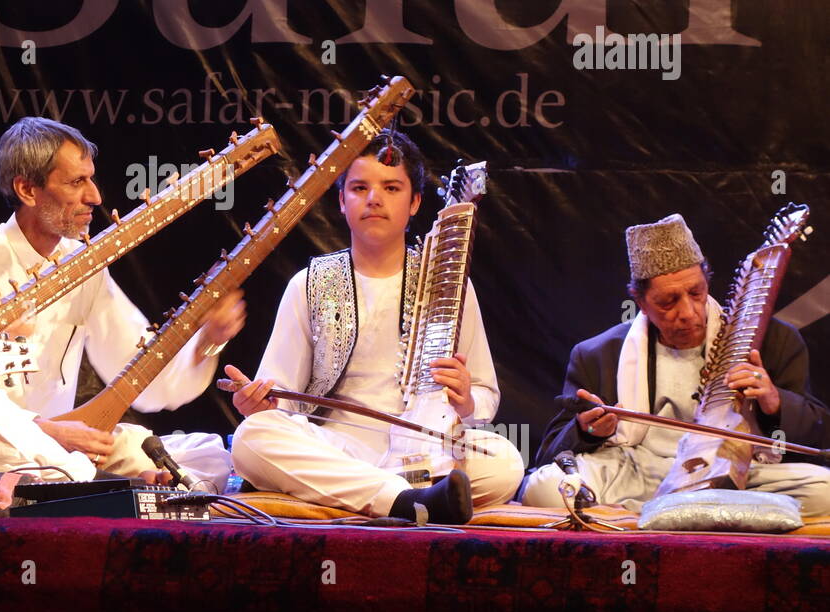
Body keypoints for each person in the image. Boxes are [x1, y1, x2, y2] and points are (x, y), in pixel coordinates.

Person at [223, 129, 523, 522]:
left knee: (504, 460)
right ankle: (409, 501)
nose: (374, 199)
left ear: (415, 202)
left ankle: (377, 495)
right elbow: (282, 400)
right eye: (359, 187)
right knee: (253, 437)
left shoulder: (448, 284)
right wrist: (259, 403)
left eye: (392, 188)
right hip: (336, 448)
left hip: (424, 453)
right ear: (342, 202)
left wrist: (466, 398)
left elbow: (484, 397)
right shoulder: (309, 283)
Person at [0, 116, 243, 484]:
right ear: (28, 190)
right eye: (77, 182)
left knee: (205, 457)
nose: (95, 196)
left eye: (90, 179)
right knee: (68, 470)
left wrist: (205, 341)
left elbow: (141, 371)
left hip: (65, 445)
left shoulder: (83, 263)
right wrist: (43, 431)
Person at [521, 213, 830, 514]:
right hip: (637, 471)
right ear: (640, 302)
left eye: (696, 292)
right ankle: (715, 513)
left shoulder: (772, 340)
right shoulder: (598, 355)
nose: (689, 312)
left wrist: (774, 402)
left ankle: (663, 512)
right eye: (667, 302)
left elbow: (818, 432)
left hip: (738, 469)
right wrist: (586, 430)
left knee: (825, 489)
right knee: (545, 487)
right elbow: (551, 450)